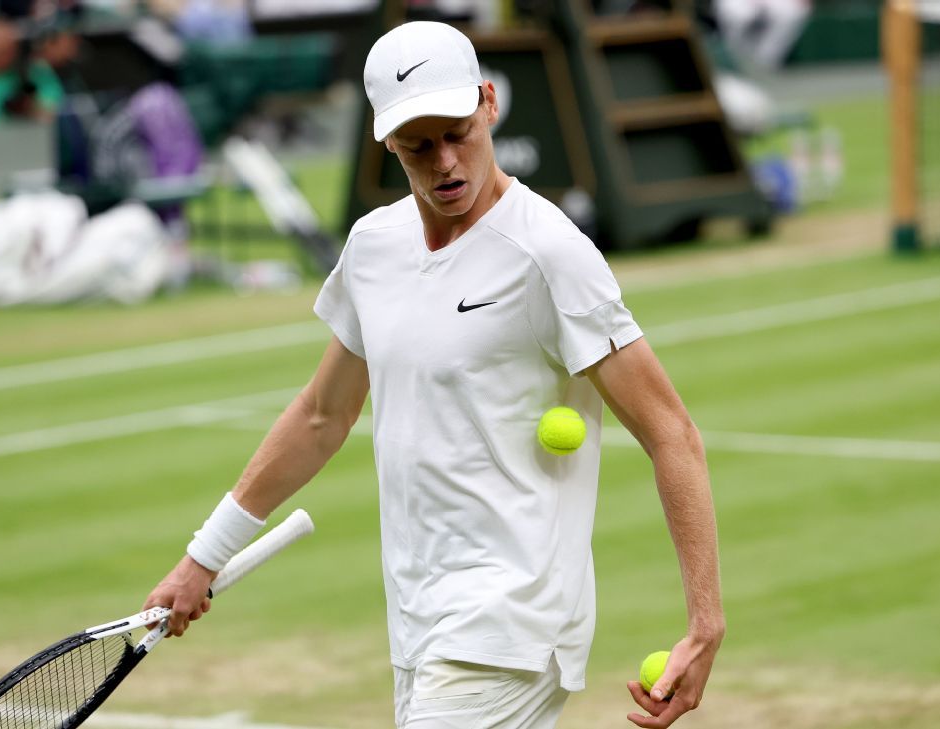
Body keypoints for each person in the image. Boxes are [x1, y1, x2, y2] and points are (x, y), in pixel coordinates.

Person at [142, 20, 724, 729]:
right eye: (419, 144)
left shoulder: (548, 252)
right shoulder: (373, 246)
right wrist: (204, 556)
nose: (446, 161)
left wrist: (705, 621)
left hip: (511, 622)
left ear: (489, 103)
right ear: (387, 142)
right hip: (419, 620)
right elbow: (323, 415)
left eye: (458, 132)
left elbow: (672, 431)